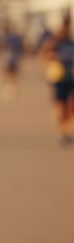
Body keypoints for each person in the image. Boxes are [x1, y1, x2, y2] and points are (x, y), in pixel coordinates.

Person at [40, 14, 74, 145]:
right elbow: (42, 57)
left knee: (71, 106)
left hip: (71, 78)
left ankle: (65, 129)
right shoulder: (54, 44)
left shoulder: (71, 43)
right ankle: (62, 132)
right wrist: (51, 57)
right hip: (58, 79)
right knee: (61, 107)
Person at [0, 24, 24, 101]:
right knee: (13, 74)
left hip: (8, 59)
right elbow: (22, 47)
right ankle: (13, 87)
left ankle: (10, 88)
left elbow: (1, 46)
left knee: (8, 74)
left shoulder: (6, 38)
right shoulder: (17, 38)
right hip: (15, 58)